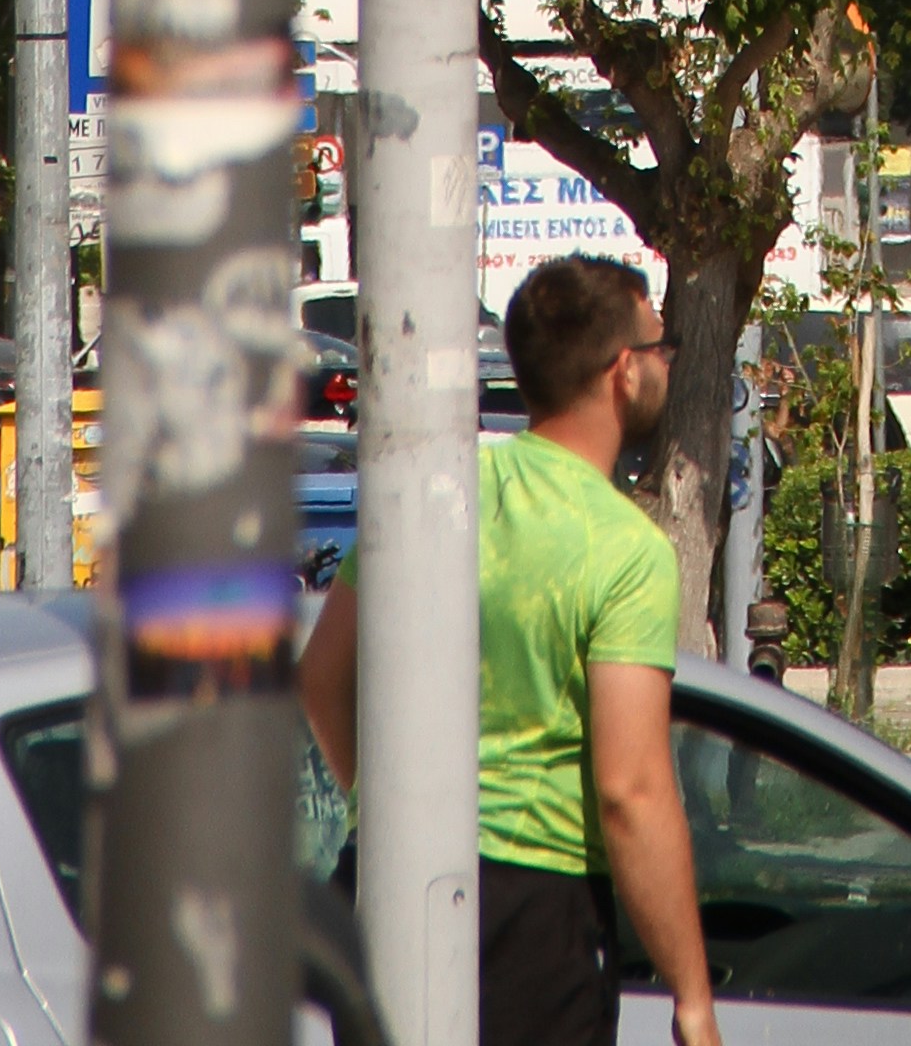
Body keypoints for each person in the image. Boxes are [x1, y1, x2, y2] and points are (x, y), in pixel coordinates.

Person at [301, 256, 719, 1046]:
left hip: (386, 888)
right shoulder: (624, 548)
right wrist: (692, 996)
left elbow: (323, 678)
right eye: (660, 346)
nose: (667, 361)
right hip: (538, 913)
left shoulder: (434, 495)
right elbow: (630, 789)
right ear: (623, 372)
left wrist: (381, 811)